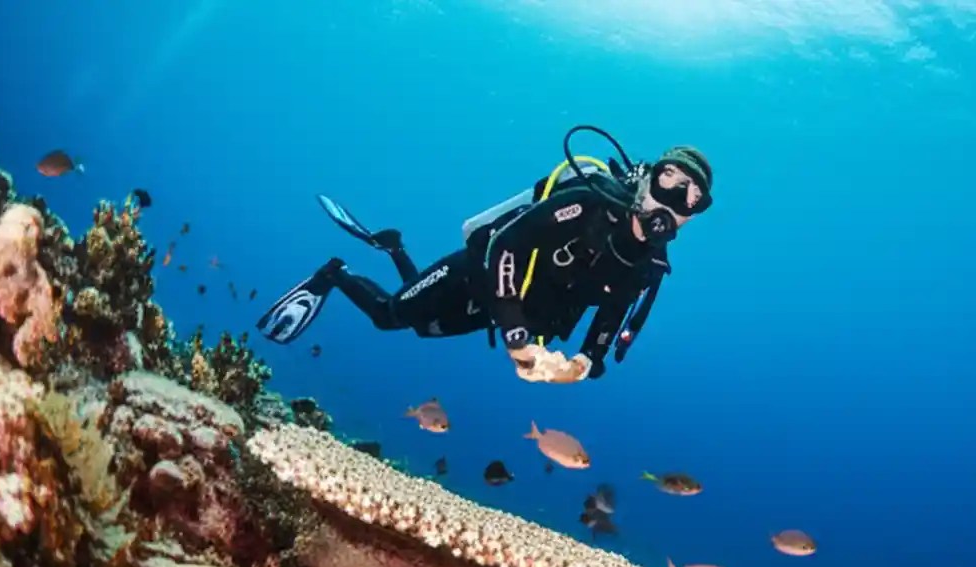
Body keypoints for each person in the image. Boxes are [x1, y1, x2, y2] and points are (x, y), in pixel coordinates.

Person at [256, 126, 713, 383]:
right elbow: (509, 244)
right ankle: (334, 273)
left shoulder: (647, 268)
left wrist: (581, 366)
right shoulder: (590, 203)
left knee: (424, 329)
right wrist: (516, 334)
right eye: (670, 181)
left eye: (693, 198)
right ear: (646, 179)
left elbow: (608, 324)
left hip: (504, 314)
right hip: (476, 273)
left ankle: (394, 247)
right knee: (389, 316)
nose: (677, 201)